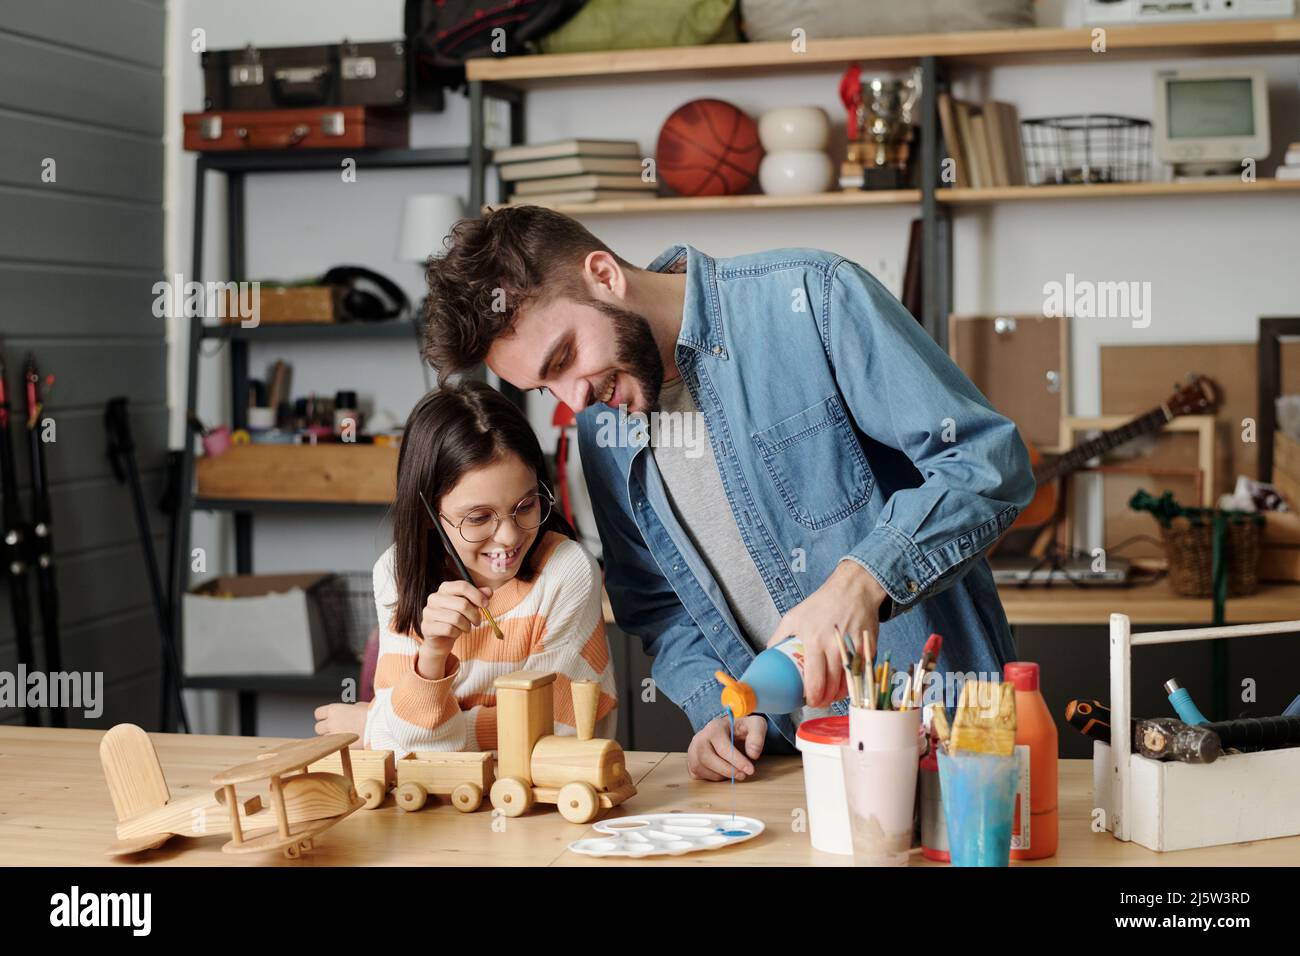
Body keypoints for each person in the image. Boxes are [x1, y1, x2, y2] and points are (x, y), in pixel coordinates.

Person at [420, 206, 1033, 781]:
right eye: (544, 386)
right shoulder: (601, 423)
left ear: (604, 276)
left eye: (564, 358)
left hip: (942, 730)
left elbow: (986, 462)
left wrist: (863, 582)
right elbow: (657, 602)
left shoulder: (812, 299)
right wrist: (715, 707)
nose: (573, 400)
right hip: (790, 764)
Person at [313, 380, 617, 753]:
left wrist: (377, 726)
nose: (507, 537)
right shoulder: (396, 573)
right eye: (478, 518)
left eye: (525, 506)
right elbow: (406, 742)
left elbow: (555, 732)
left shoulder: (566, 572)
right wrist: (434, 654)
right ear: (429, 516)